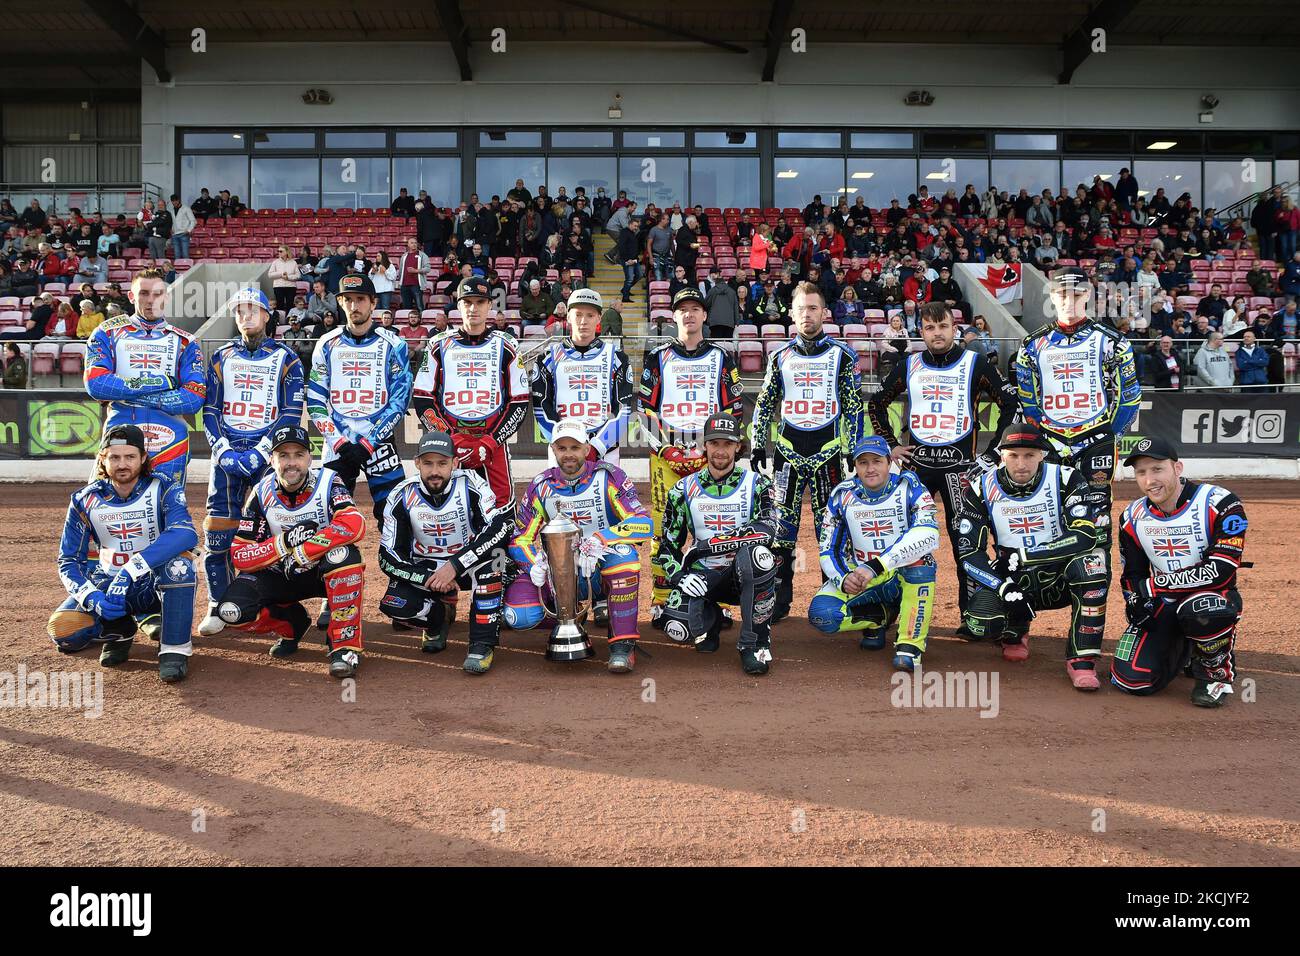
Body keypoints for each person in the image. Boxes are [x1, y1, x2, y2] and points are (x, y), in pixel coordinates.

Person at [868, 301, 1018, 625]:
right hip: (916, 467)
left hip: (960, 469)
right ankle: (891, 610)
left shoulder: (975, 363)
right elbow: (876, 403)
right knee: (902, 541)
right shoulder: (909, 364)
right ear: (921, 332)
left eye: (943, 326)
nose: (937, 333)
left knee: (967, 543)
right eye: (930, 328)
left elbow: (1010, 403)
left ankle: (974, 614)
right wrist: (892, 446)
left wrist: (994, 453)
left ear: (954, 329)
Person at [956, 423, 1109, 690]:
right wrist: (1001, 586)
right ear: (1002, 455)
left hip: (1059, 575)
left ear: (1042, 454)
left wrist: (1024, 555)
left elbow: (1085, 535)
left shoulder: (1066, 478)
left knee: (1092, 565)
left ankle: (1081, 660)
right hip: (1014, 580)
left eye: (1029, 455)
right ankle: (1015, 630)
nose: (1021, 464)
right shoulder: (981, 487)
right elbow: (969, 553)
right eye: (1013, 455)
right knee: (981, 621)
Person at [749, 282, 863, 621]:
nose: (808, 314)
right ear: (792, 313)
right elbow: (765, 402)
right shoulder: (779, 356)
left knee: (830, 529)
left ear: (825, 313)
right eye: (802, 309)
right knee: (781, 531)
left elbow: (854, 407)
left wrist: (852, 450)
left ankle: (832, 598)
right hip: (787, 455)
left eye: (814, 308)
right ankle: (779, 602)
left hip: (828, 454)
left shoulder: (843, 355)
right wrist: (758, 444)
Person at [48, 424, 196, 682]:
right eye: (114, 457)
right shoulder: (84, 500)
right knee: (64, 631)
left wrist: (130, 571)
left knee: (179, 566)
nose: (122, 464)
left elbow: (185, 534)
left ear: (143, 458)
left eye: (129, 457)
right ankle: (120, 630)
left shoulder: (164, 488)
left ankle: (174, 649)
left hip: (152, 582)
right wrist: (92, 597)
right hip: (108, 583)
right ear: (102, 460)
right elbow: (69, 561)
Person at [197, 288, 306, 636]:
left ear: (267, 314)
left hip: (267, 455)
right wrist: (222, 450)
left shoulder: (287, 358)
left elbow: (291, 413)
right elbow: (210, 409)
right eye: (240, 311)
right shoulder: (220, 357)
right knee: (217, 533)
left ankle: (270, 606)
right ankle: (217, 604)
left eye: (253, 309)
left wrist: (262, 451)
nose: (246, 316)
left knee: (269, 533)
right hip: (227, 454)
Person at [219, 425, 367, 679]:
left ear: (310, 457)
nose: (291, 463)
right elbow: (240, 554)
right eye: (283, 455)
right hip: (282, 573)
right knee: (231, 611)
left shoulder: (330, 481)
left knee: (345, 558)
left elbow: (354, 524)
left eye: (298, 455)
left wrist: (305, 551)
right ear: (272, 459)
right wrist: (284, 543)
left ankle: (345, 648)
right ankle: (292, 624)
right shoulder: (261, 492)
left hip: (322, 570)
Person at [504, 420, 652, 673]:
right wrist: (535, 565)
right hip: (561, 570)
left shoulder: (609, 476)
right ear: (553, 450)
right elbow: (520, 538)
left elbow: (643, 523)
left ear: (586, 449)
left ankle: (622, 646)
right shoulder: (541, 485)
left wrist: (600, 540)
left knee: (626, 560)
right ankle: (569, 622)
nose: (568, 454)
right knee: (519, 614)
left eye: (575, 447)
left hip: (602, 563)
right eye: (562, 448)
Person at [1015, 268, 1141, 564]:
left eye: (1076, 294)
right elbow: (1028, 401)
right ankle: (1049, 582)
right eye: (1061, 294)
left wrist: (1112, 435)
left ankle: (1094, 582)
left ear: (1087, 295)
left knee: (1097, 519)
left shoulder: (1112, 341)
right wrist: (1042, 436)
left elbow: (1130, 396)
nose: (1069, 301)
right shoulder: (1031, 345)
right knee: (1046, 513)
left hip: (1095, 439)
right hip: (1050, 441)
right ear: (1052, 297)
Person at [1112, 438, 1246, 707]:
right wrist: (1135, 600)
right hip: (1166, 603)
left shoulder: (1221, 503)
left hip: (1211, 597)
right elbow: (1133, 573)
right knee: (1131, 680)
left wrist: (1152, 587)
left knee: (1202, 610)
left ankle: (1214, 671)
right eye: (1141, 472)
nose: (1150, 480)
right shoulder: (1132, 515)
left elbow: (1221, 570)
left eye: (1157, 469)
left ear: (1178, 468)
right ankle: (1185, 646)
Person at [640, 287, 744, 608]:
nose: (689, 314)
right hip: (666, 456)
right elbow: (646, 409)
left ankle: (720, 603)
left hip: (709, 457)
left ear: (704, 316)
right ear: (674, 316)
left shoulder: (722, 357)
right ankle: (662, 601)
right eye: (682, 309)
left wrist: (709, 450)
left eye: (695, 309)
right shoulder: (657, 356)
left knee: (719, 530)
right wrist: (666, 449)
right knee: (663, 530)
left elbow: (735, 407)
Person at [378, 429, 512, 674]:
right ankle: (438, 619)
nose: (435, 471)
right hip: (428, 569)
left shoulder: (472, 483)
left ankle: (481, 645)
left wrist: (455, 565)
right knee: (394, 605)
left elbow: (500, 529)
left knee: (497, 562)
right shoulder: (401, 494)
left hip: (468, 563)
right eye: (427, 463)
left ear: (455, 462)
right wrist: (424, 577)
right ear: (417, 462)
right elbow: (387, 556)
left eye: (442, 463)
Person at [657, 412, 779, 676]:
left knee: (758, 557)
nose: (720, 451)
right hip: (704, 576)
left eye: (727, 444)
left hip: (743, 574)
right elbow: (666, 546)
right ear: (705, 445)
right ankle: (710, 622)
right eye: (714, 443)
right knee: (677, 627)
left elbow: (767, 531)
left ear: (738, 446)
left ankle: (753, 643)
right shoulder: (682, 490)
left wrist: (705, 546)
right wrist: (679, 576)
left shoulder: (758, 484)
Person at [807, 436, 940, 671]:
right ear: (855, 466)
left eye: (877, 461)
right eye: (863, 463)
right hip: (862, 576)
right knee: (822, 615)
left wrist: (877, 566)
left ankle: (910, 643)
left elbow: (928, 534)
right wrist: (843, 578)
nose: (870, 469)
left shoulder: (910, 486)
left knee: (923, 563)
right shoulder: (842, 495)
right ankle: (878, 617)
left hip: (901, 573)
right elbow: (828, 549)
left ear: (889, 462)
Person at [307, 271, 412, 531]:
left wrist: (368, 443)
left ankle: (397, 571)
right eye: (348, 299)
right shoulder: (325, 344)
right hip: (336, 444)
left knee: (395, 517)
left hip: (379, 443)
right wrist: (339, 443)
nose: (354, 306)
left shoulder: (394, 344)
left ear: (373, 303)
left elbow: (400, 401)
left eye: (361, 299)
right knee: (329, 519)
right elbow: (316, 399)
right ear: (340, 303)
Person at [413, 276, 529, 508]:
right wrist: (450, 438)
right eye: (467, 302)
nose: (473, 308)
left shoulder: (507, 344)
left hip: (492, 441)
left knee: (502, 504)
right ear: (458, 306)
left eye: (479, 302)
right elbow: (423, 397)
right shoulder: (438, 344)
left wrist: (490, 441)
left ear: (490, 306)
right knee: (448, 506)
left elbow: (519, 401)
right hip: (450, 442)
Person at [84, 269, 206, 486]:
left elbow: (194, 397)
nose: (151, 300)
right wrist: (162, 382)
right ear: (131, 296)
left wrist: (133, 394)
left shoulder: (186, 341)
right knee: (102, 508)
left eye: (158, 294)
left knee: (168, 510)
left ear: (167, 297)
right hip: (119, 433)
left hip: (171, 437)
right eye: (143, 293)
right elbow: (97, 385)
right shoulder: (106, 333)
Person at [529, 288, 633, 466]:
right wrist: (566, 446)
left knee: (606, 494)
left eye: (590, 315)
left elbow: (623, 410)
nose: (583, 321)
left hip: (604, 451)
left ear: (599, 318)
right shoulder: (548, 358)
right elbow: (541, 410)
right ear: (568, 317)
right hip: (562, 451)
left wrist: (596, 447)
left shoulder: (617, 357)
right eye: (578, 315)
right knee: (558, 495)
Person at [268, 245, 299, 313]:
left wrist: (288, 277)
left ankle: (289, 321)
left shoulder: (293, 262)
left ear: (286, 252)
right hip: (278, 286)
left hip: (291, 286)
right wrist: (281, 274)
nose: (279, 252)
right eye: (278, 251)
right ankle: (279, 321)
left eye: (281, 251)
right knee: (279, 305)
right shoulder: (275, 262)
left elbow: (298, 275)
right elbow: (270, 275)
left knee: (290, 305)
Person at [168, 194, 195, 260]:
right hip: (175, 234)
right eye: (173, 201)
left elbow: (193, 221)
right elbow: (172, 222)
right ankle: (178, 269)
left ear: (178, 200)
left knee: (185, 254)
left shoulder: (186, 208)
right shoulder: (171, 211)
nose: (174, 202)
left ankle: (188, 270)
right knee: (177, 255)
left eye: (175, 200)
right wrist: (171, 229)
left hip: (184, 234)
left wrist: (188, 230)